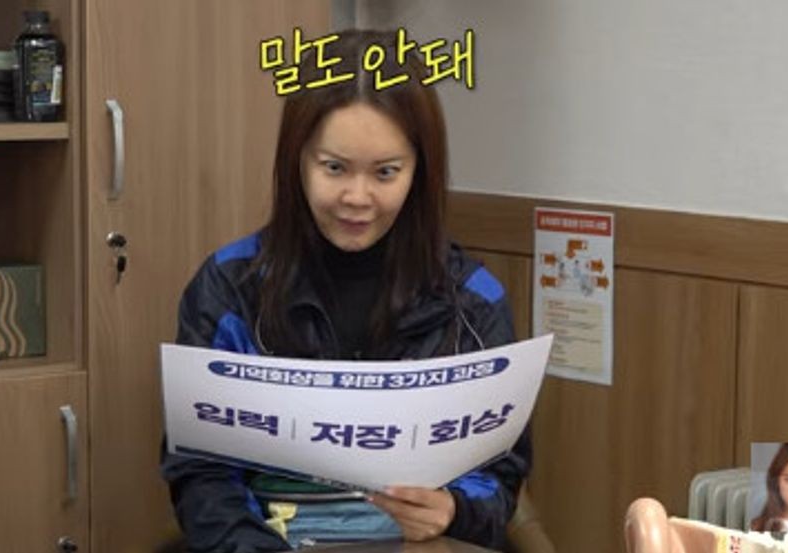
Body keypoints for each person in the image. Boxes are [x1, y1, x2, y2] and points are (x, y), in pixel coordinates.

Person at [160, 29, 531, 552]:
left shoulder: (473, 300)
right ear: (297, 160)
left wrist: (454, 510)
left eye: (386, 173)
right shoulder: (228, 287)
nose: (357, 197)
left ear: (419, 172)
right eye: (334, 168)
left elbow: (500, 475)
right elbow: (201, 474)